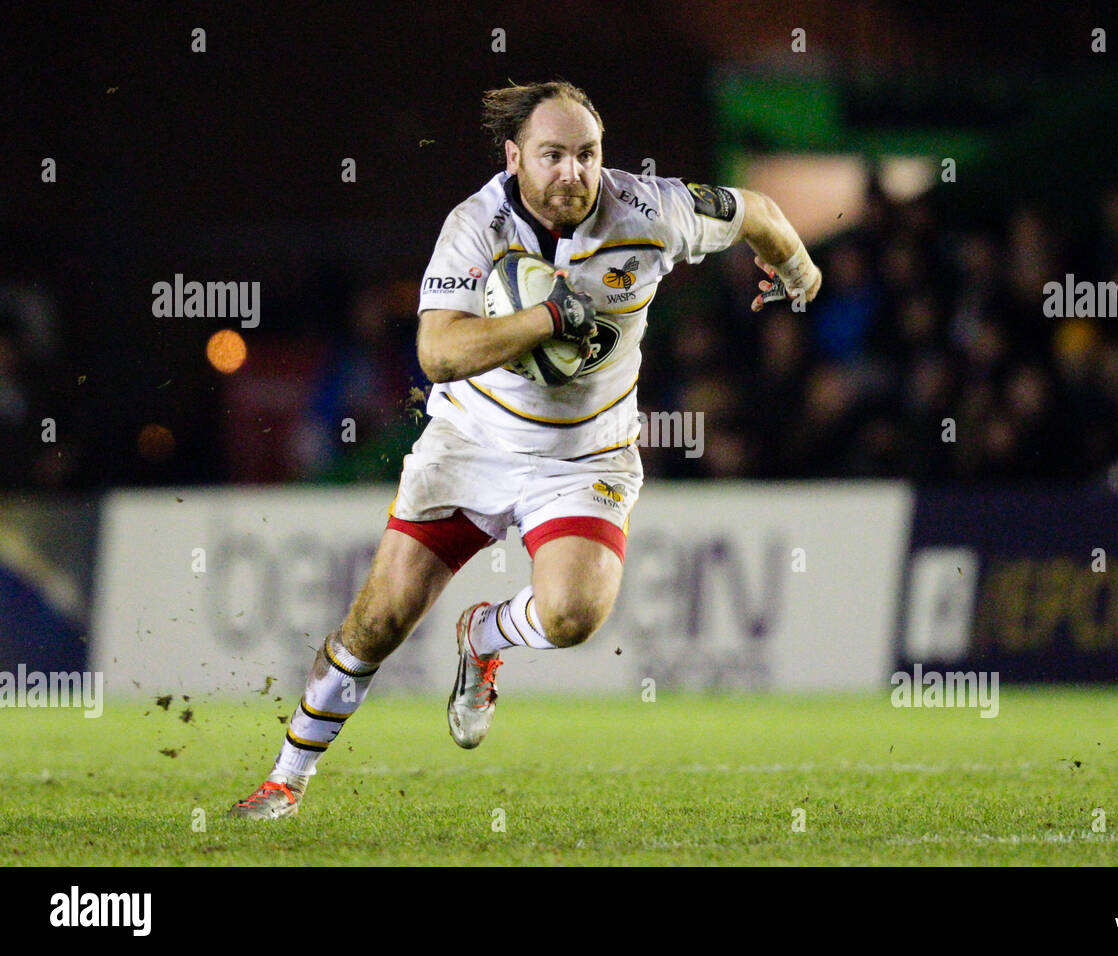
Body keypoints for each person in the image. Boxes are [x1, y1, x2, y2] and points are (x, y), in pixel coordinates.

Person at [230, 79, 822, 819]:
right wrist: (547, 318)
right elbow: (439, 354)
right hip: (471, 442)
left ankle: (485, 634)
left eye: (587, 154)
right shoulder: (474, 226)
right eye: (553, 156)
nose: (573, 172)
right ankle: (286, 779)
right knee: (377, 624)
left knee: (574, 615)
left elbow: (759, 212)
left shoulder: (651, 207)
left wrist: (798, 271)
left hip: (586, 457)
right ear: (515, 157)